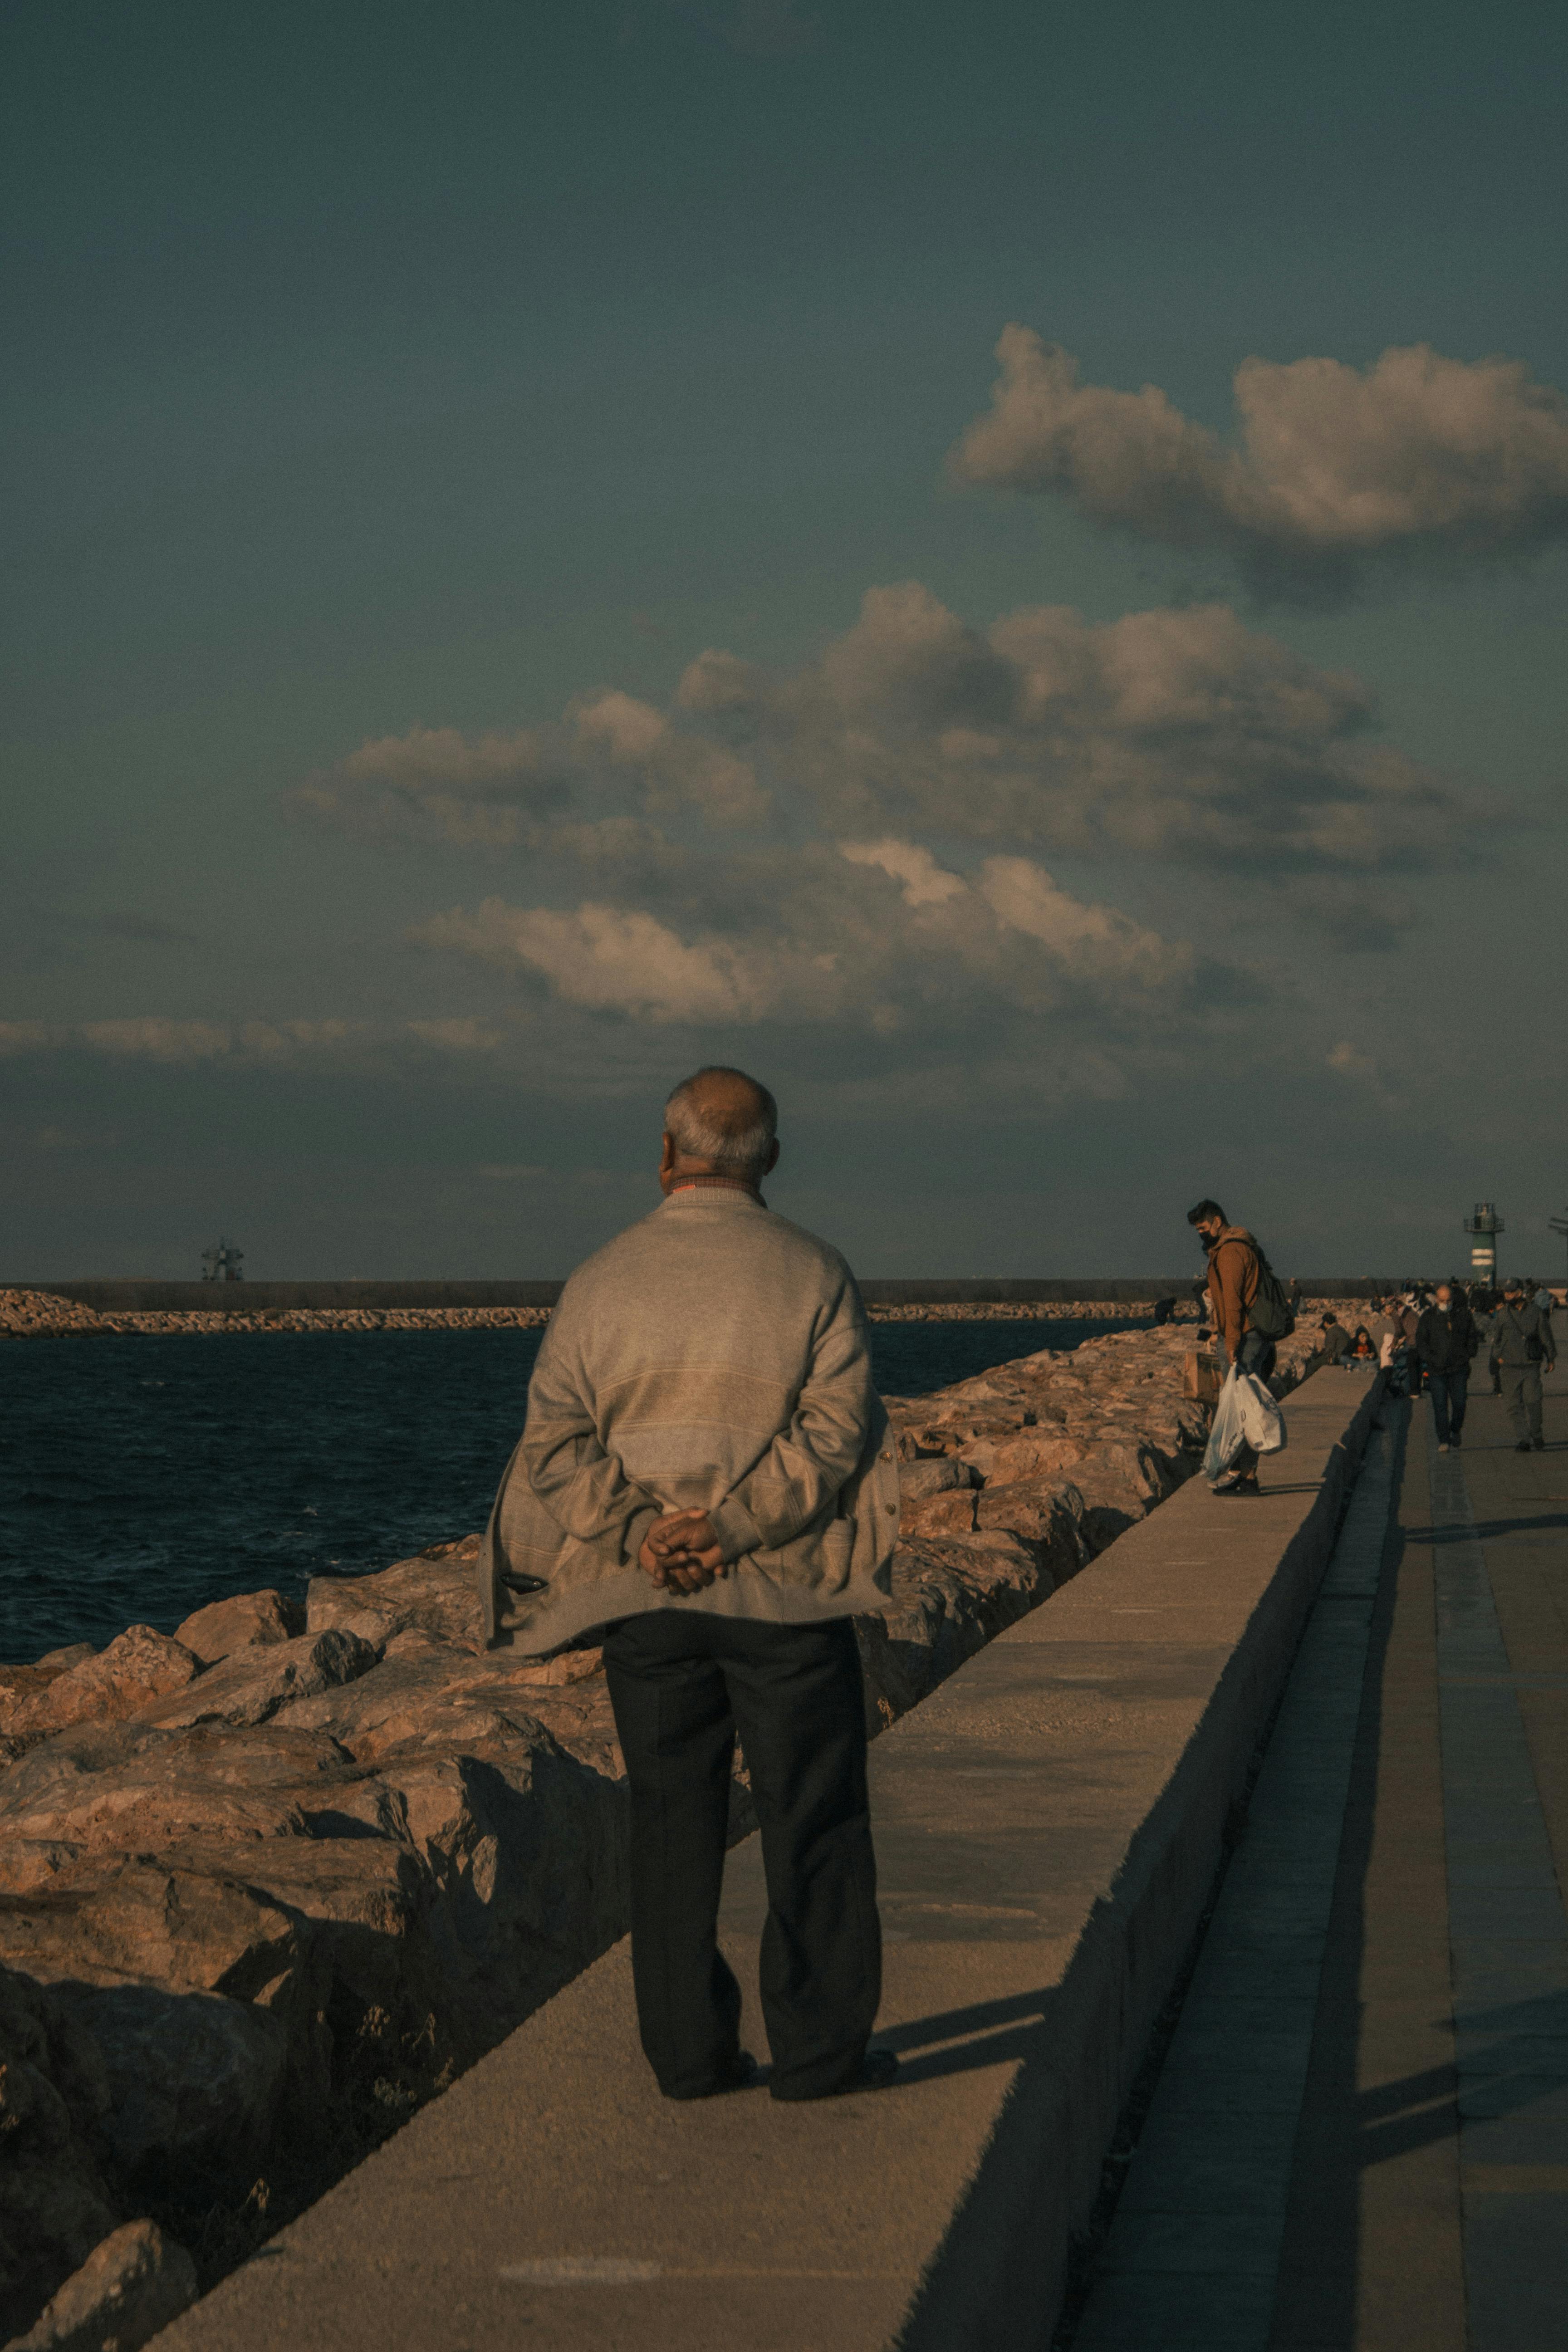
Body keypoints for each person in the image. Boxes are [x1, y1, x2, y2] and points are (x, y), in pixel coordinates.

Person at [477, 1066, 899, 2103]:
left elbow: (553, 1440)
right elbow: (836, 1434)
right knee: (813, 1817)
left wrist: (643, 1533)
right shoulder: (814, 1272)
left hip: (648, 1603)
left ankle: (687, 2053)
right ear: (769, 1160)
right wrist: (733, 1527)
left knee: (670, 1824)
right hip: (786, 1601)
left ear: (665, 1155)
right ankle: (817, 2054)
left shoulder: (598, 1280)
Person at [1187, 1199, 1285, 1496]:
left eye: (1203, 1228)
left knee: (1241, 1407)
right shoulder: (1243, 1245)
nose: (1201, 1235)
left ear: (1217, 1222)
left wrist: (1229, 1342)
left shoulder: (1230, 1252)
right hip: (1250, 1334)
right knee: (1244, 1404)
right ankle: (1244, 1474)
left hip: (1243, 1337)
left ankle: (1242, 1474)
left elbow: (1232, 1300)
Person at [1490, 1277, 1557, 1452]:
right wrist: (1498, 1357)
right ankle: (1524, 1439)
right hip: (1509, 1367)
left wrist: (1551, 1358)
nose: (1509, 1295)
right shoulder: (1503, 1314)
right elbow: (1496, 1339)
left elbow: (1546, 1336)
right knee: (1514, 1406)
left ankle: (1536, 1434)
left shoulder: (1536, 1312)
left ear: (1520, 1293)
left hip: (1530, 1365)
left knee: (1534, 1402)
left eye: (1512, 1292)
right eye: (1506, 1292)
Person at [1412, 1281, 1477, 1452]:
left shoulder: (1463, 1315)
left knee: (1460, 1403)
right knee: (1439, 1406)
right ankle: (1444, 1440)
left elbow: (1472, 1337)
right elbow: (1421, 1342)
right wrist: (1430, 1359)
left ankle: (1455, 1429)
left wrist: (1467, 1354)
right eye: (1442, 1301)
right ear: (1436, 1299)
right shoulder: (1428, 1317)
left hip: (1458, 1368)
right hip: (1436, 1369)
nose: (1445, 1304)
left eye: (1448, 1300)